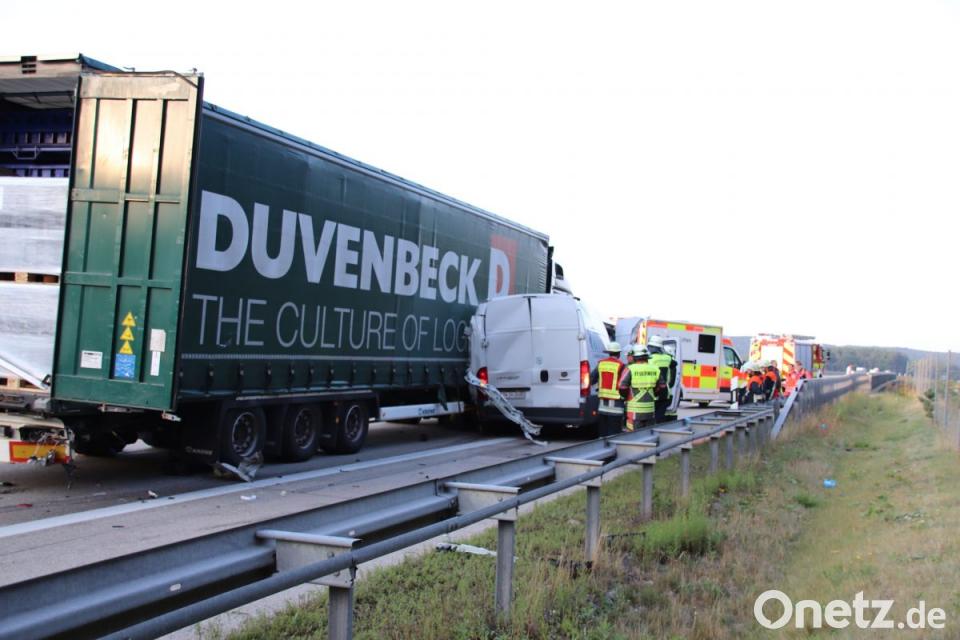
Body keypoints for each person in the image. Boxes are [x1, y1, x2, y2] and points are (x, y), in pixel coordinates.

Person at [619, 345, 660, 430]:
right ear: (647, 357)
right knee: (648, 435)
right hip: (650, 410)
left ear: (634, 357)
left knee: (634, 437)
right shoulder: (655, 369)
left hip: (634, 411)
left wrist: (625, 397)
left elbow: (622, 387)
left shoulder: (630, 369)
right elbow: (662, 387)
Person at [590, 342, 625, 436]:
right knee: (614, 433)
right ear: (619, 353)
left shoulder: (601, 364)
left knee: (603, 431)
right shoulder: (621, 365)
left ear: (608, 352)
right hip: (616, 405)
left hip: (602, 404)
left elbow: (591, 379)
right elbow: (624, 385)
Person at [647, 335, 677, 423]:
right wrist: (670, 384)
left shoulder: (649, 359)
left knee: (651, 417)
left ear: (652, 347)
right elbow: (674, 369)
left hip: (653, 391)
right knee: (660, 416)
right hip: (665, 392)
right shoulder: (668, 358)